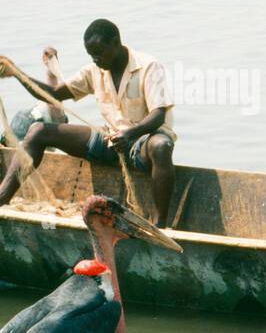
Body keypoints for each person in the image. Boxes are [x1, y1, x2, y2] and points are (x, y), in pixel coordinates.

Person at [0, 19, 177, 223]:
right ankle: (3, 197)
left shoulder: (149, 67)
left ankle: (160, 224)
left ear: (115, 43)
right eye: (91, 55)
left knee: (162, 146)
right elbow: (54, 93)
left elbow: (158, 115)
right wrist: (16, 73)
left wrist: (130, 134)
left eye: (99, 53)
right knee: (38, 130)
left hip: (141, 143)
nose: (95, 59)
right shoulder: (94, 71)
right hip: (110, 141)